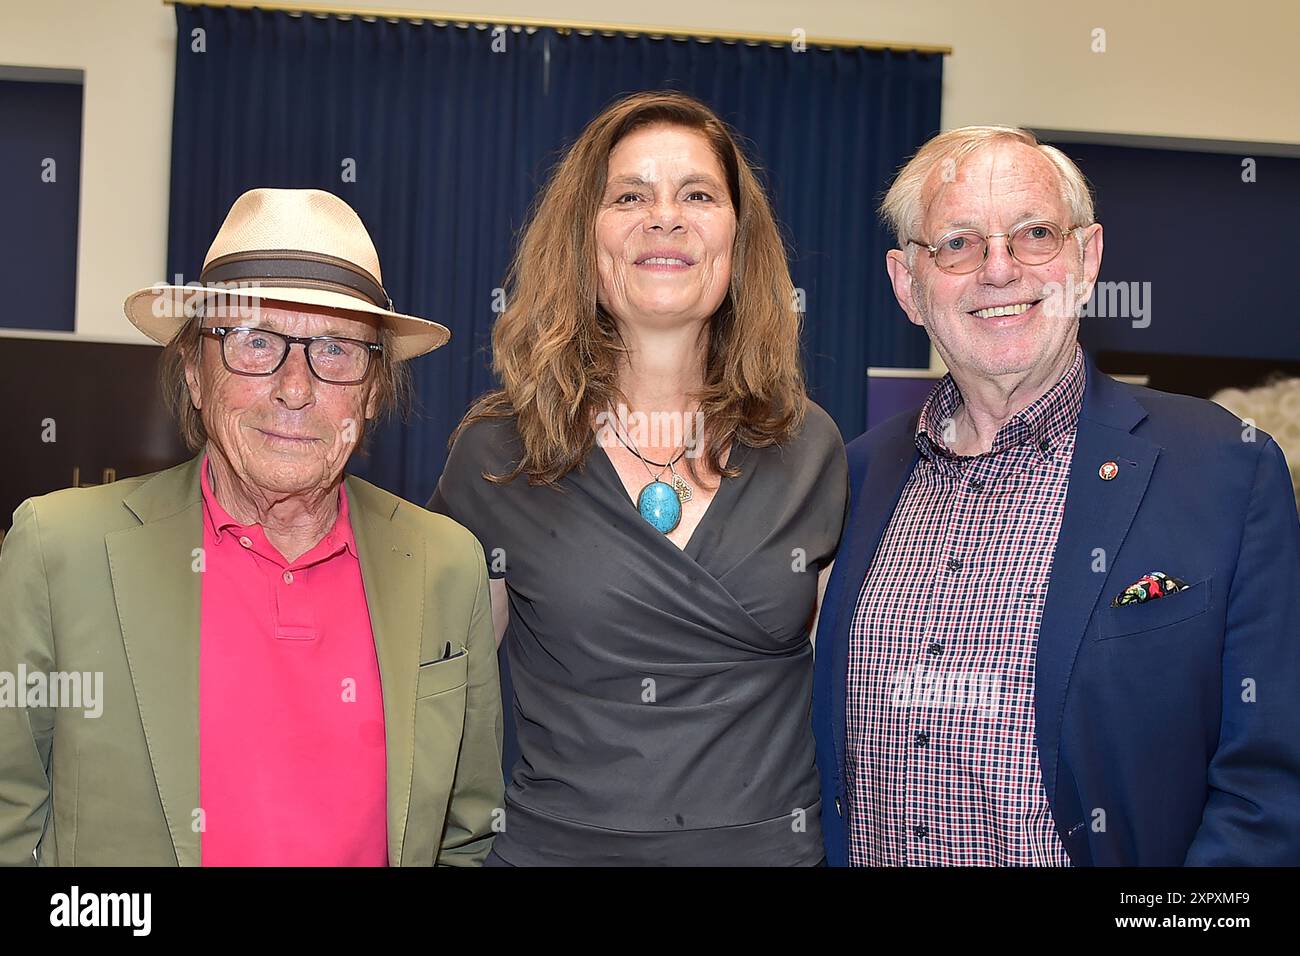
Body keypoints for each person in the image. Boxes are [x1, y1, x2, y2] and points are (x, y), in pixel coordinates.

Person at [812, 126, 1300, 866]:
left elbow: (1268, 790)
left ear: (1087, 258)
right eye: (958, 243)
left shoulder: (1228, 472)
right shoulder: (849, 479)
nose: (999, 270)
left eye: (1034, 233)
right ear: (908, 286)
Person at [0, 188, 503, 866]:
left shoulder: (448, 564)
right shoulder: (57, 550)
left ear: (375, 388)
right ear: (195, 373)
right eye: (254, 341)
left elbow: (467, 833)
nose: (294, 388)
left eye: (334, 350)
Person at [429, 91, 847, 866]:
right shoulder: (499, 455)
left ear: (737, 239)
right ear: (584, 241)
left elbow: (848, 698)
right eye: (630, 197)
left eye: (697, 194)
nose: (665, 217)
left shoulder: (809, 447)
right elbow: (440, 708)